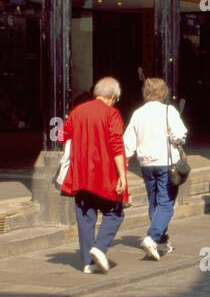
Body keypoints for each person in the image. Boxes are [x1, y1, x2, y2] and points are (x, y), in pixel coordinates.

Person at [59, 76, 128, 273]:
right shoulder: (112, 114)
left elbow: (62, 135)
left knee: (85, 217)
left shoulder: (78, 111)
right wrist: (122, 175)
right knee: (114, 212)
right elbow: (117, 146)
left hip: (81, 174)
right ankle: (99, 248)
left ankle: (87, 263)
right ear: (112, 96)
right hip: (104, 175)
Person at [122, 77, 187, 261]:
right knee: (166, 203)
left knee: (154, 202)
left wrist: (125, 159)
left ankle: (162, 240)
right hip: (166, 161)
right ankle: (152, 237)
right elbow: (180, 134)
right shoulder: (169, 111)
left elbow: (128, 141)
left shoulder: (138, 113)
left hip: (146, 164)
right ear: (164, 92)